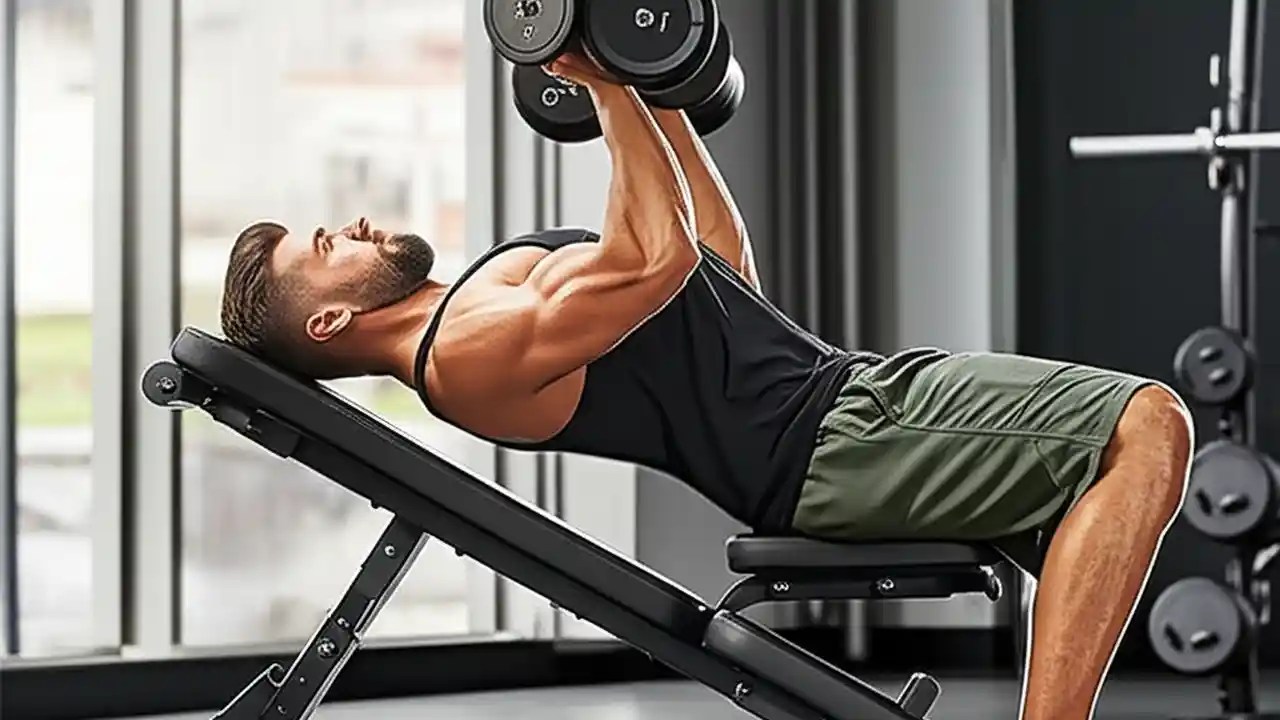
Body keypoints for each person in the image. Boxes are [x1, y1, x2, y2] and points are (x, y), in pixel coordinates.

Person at [218, 52, 1191, 720]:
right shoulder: (464, 355)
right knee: (1148, 425)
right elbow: (654, 259)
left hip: (851, 399)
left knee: (1102, 479)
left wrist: (656, 97)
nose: (347, 223)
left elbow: (717, 269)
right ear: (328, 324)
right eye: (325, 246)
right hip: (829, 445)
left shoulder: (475, 295)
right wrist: (605, 91)